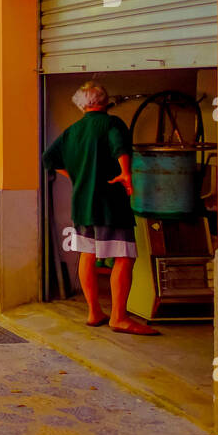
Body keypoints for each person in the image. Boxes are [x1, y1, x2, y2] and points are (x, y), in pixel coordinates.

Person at [43, 81, 158, 335]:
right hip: (109, 203)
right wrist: (126, 174)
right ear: (104, 101)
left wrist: (74, 175)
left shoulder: (73, 131)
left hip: (82, 203)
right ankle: (119, 317)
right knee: (124, 256)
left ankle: (94, 312)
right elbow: (120, 147)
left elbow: (48, 159)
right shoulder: (112, 124)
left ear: (81, 104)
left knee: (87, 253)